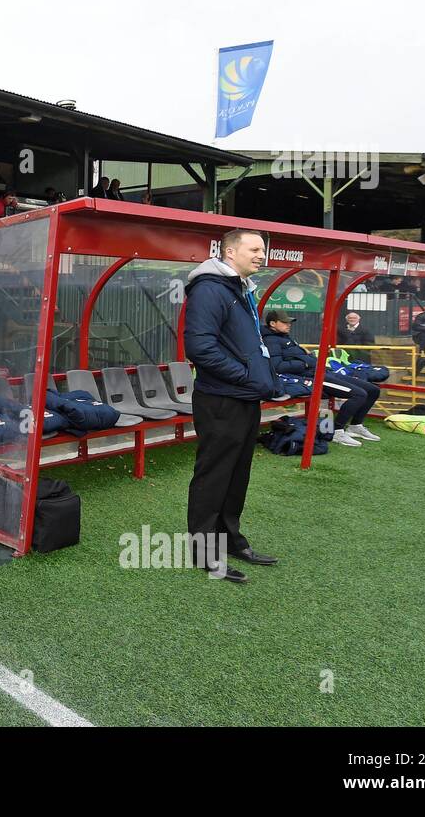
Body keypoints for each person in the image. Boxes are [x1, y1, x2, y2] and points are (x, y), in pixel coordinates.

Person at [183, 229, 281, 584]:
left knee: (237, 473)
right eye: (254, 248)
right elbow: (200, 348)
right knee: (214, 475)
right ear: (229, 251)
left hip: (243, 397)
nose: (261, 254)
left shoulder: (239, 290)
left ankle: (230, 540)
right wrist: (245, 376)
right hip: (221, 398)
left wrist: (260, 376)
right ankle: (204, 553)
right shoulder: (211, 288)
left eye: (263, 249)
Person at [262, 310, 381, 447]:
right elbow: (278, 366)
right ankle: (337, 430)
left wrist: (310, 358)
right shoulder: (271, 340)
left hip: (322, 371)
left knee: (373, 390)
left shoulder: (285, 337)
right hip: (310, 377)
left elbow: (295, 356)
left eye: (289, 322)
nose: (289, 324)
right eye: (284, 322)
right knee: (359, 394)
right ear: (272, 323)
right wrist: (305, 363)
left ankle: (355, 425)